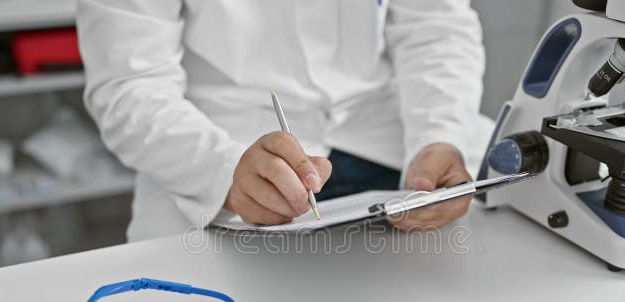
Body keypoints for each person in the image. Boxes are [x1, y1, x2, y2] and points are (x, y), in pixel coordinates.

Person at [77, 0, 487, 241]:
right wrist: (222, 174)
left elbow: (436, 27)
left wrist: (440, 134)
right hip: (220, 151)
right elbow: (129, 83)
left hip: (387, 136)